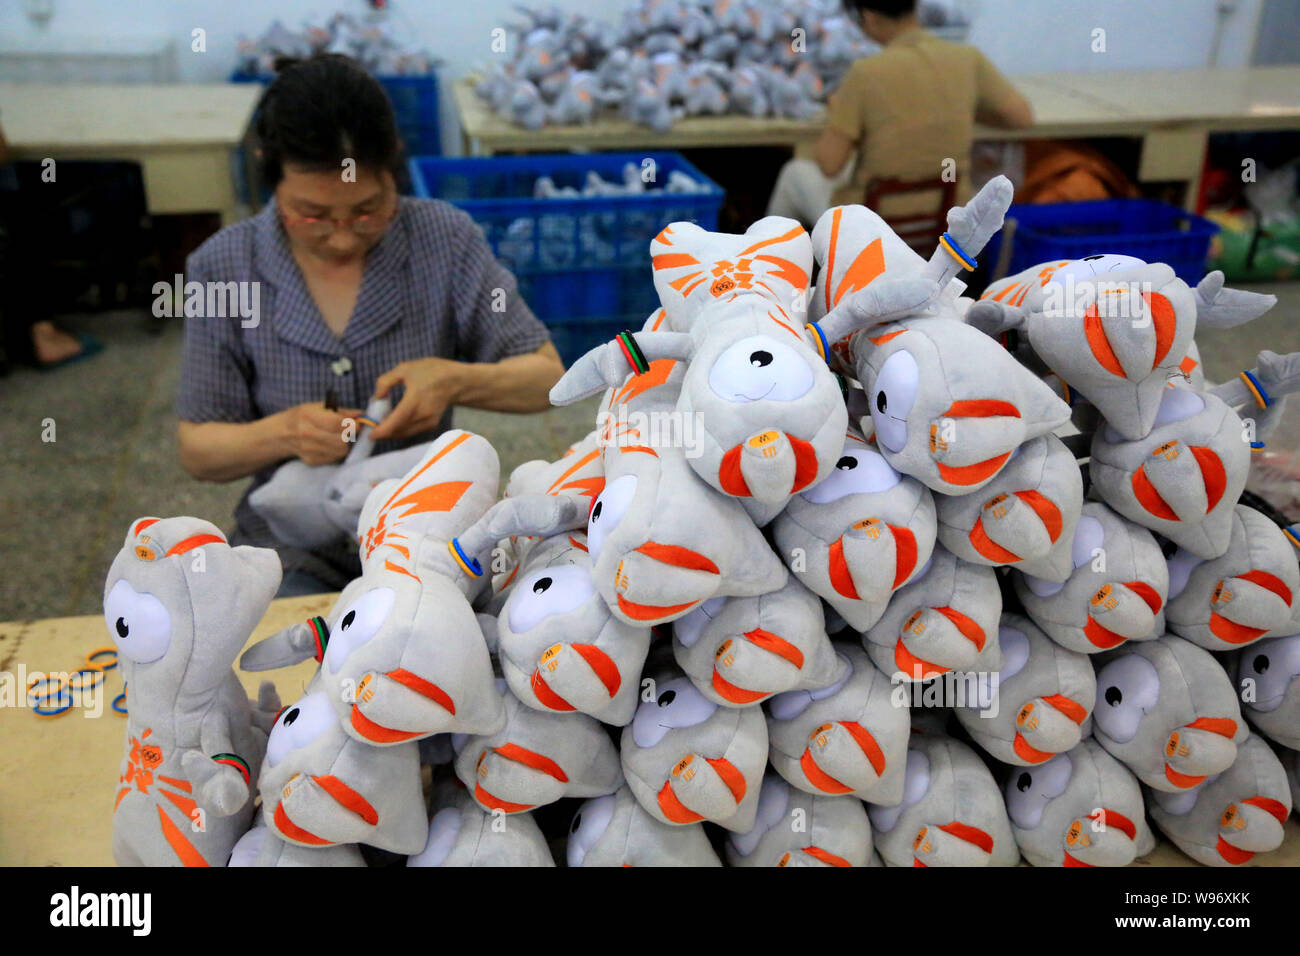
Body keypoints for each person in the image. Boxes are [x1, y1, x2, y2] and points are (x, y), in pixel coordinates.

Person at [176, 54, 564, 596]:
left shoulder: (444, 240)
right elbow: (198, 447)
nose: (341, 236)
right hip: (291, 545)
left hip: (428, 533)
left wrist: (455, 379)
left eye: (367, 210)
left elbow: (547, 377)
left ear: (393, 166)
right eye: (311, 214)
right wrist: (285, 433)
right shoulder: (224, 265)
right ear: (268, 172)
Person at [767, 0, 1034, 230]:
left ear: (868, 17)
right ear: (914, 8)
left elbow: (829, 165)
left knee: (794, 174)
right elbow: (1021, 117)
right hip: (948, 222)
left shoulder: (865, 73)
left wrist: (840, 117)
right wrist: (961, 109)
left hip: (875, 227)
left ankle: (768, 271)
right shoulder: (967, 59)